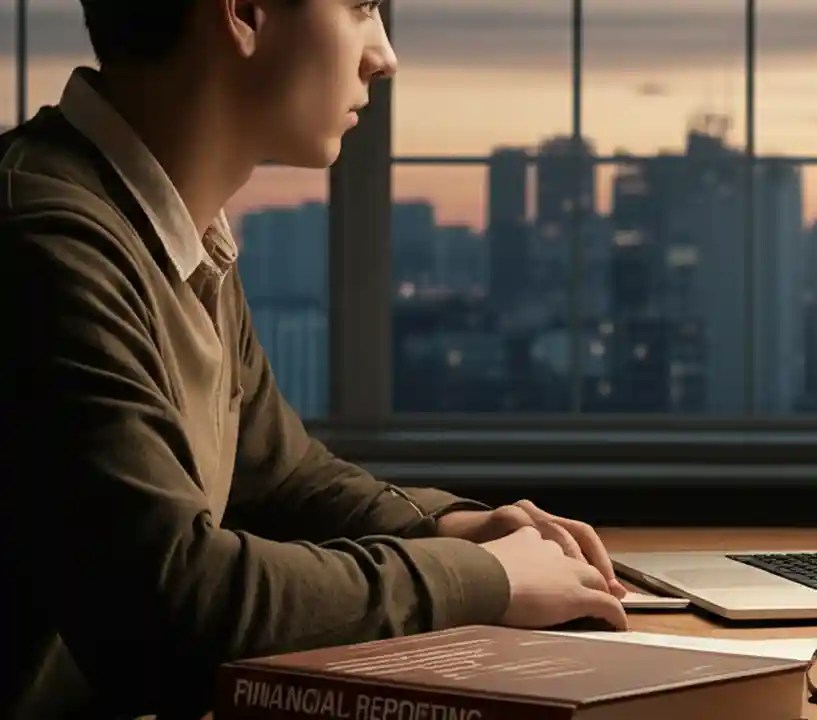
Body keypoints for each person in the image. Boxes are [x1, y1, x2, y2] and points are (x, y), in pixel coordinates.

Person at [0, 1, 630, 718]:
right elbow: (171, 605)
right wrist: (482, 580)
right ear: (242, 12)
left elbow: (276, 477)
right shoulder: (45, 242)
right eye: (360, 7)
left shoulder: (168, 231)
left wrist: (449, 528)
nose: (384, 55)